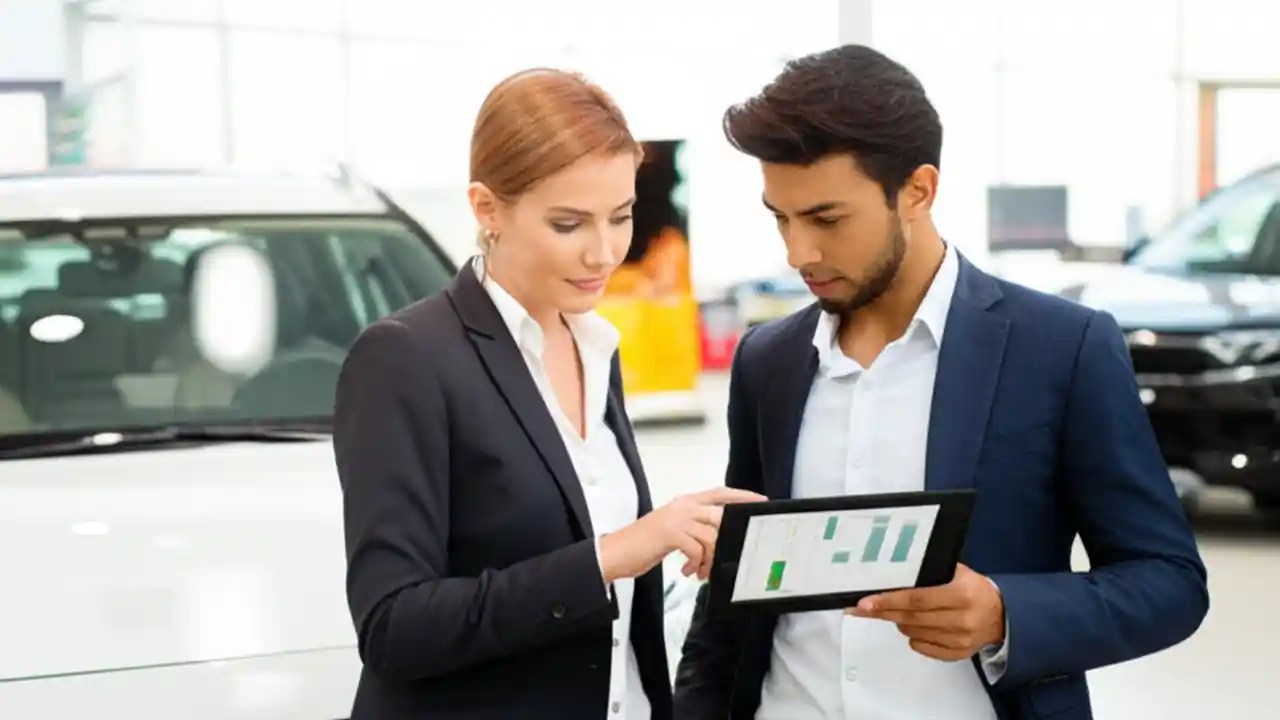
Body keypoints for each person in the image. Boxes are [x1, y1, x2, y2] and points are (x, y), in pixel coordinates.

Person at [673, 44, 1209, 720]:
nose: (797, 252)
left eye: (827, 219)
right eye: (780, 216)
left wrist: (1005, 614)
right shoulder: (767, 360)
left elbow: (1169, 582)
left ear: (918, 191)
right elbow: (733, 599)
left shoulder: (1061, 348)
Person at [332, 68, 763, 720]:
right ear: (486, 208)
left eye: (620, 218)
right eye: (568, 224)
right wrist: (619, 553)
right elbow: (395, 625)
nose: (603, 253)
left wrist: (679, 536)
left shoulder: (594, 345)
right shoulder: (407, 358)